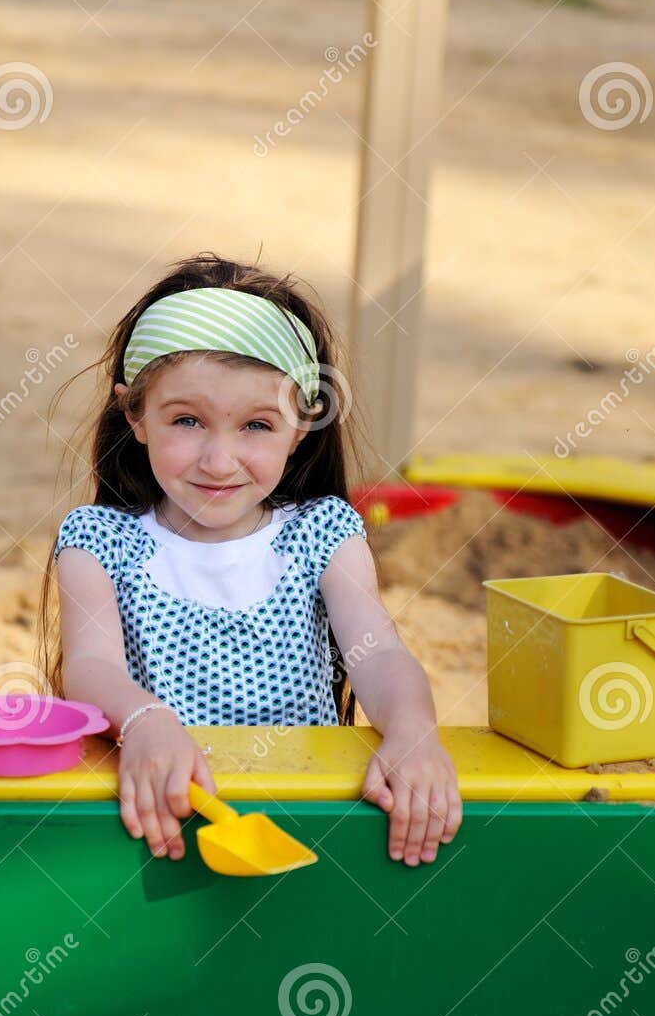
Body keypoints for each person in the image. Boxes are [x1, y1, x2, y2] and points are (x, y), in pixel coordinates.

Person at [39, 253, 460, 868]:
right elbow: (90, 665)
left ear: (301, 428)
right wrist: (144, 721)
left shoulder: (323, 533)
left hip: (308, 823)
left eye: (257, 426)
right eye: (187, 420)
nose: (218, 460)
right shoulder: (99, 540)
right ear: (134, 414)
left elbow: (380, 654)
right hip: (164, 816)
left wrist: (413, 729)